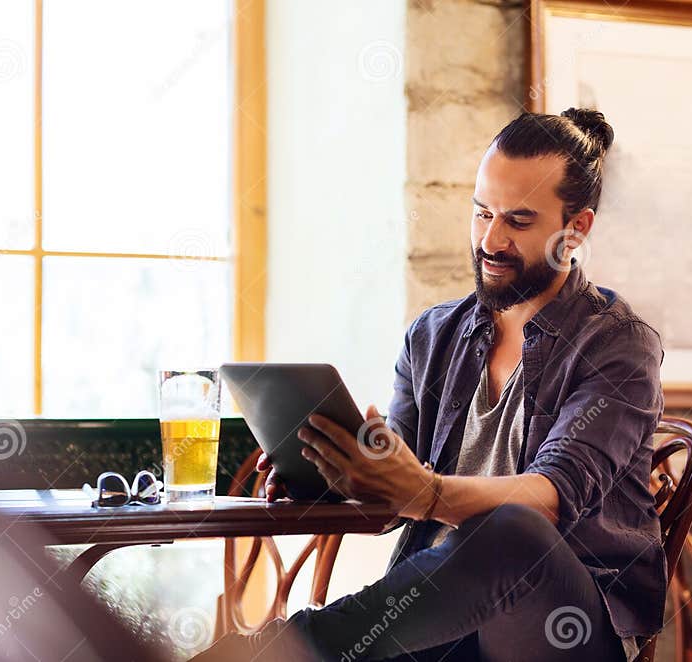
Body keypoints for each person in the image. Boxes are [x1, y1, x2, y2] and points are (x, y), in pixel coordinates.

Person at [191, 107, 666, 662]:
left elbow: (553, 500)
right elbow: (397, 491)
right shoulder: (433, 336)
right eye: (481, 212)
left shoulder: (619, 345)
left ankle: (284, 651)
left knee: (516, 530)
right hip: (442, 626)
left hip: (560, 630)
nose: (490, 240)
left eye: (517, 221)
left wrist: (426, 492)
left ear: (576, 228)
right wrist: (333, 473)